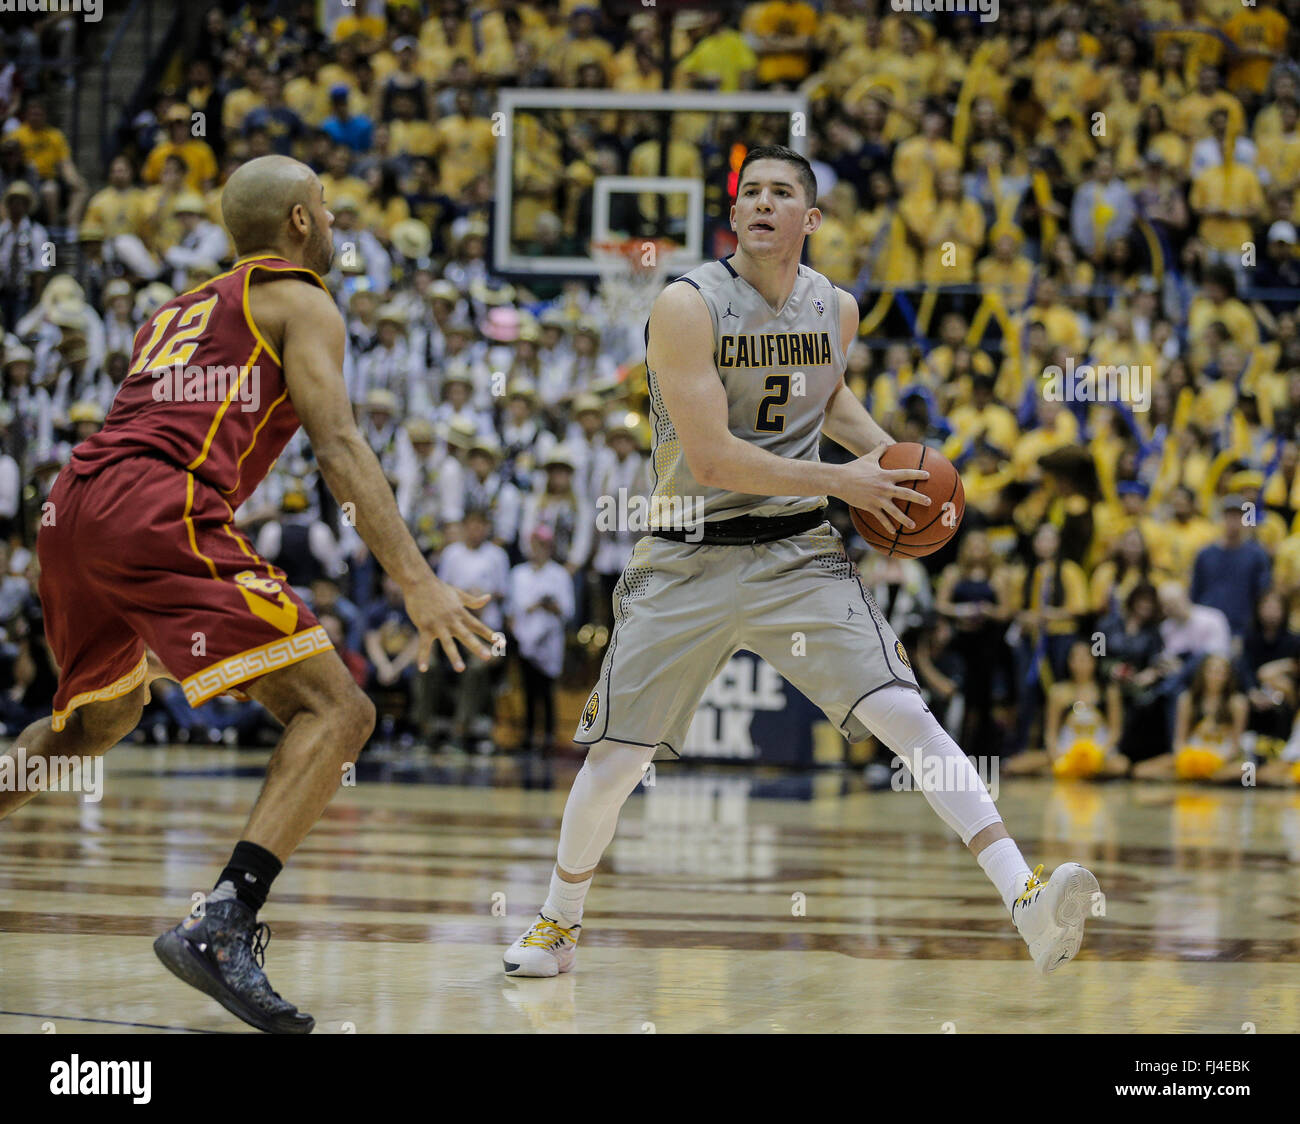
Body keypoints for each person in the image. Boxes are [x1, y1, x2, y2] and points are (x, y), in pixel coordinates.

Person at [503, 145, 1100, 979]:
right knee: (616, 760)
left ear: (809, 220)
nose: (761, 202)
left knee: (906, 714)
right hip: (685, 554)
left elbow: (826, 394)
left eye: (781, 192)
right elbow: (711, 458)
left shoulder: (836, 307)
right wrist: (845, 479)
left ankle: (1025, 898)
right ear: (735, 212)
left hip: (796, 553)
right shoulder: (687, 305)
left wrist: (891, 460)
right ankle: (557, 924)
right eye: (750, 191)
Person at [0, 155, 497, 1033]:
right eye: (332, 211)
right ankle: (224, 921)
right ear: (302, 222)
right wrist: (417, 583)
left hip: (73, 503)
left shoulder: (178, 309)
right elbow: (338, 445)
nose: (338, 227)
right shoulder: (301, 298)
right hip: (159, 504)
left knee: (91, 724)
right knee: (339, 712)